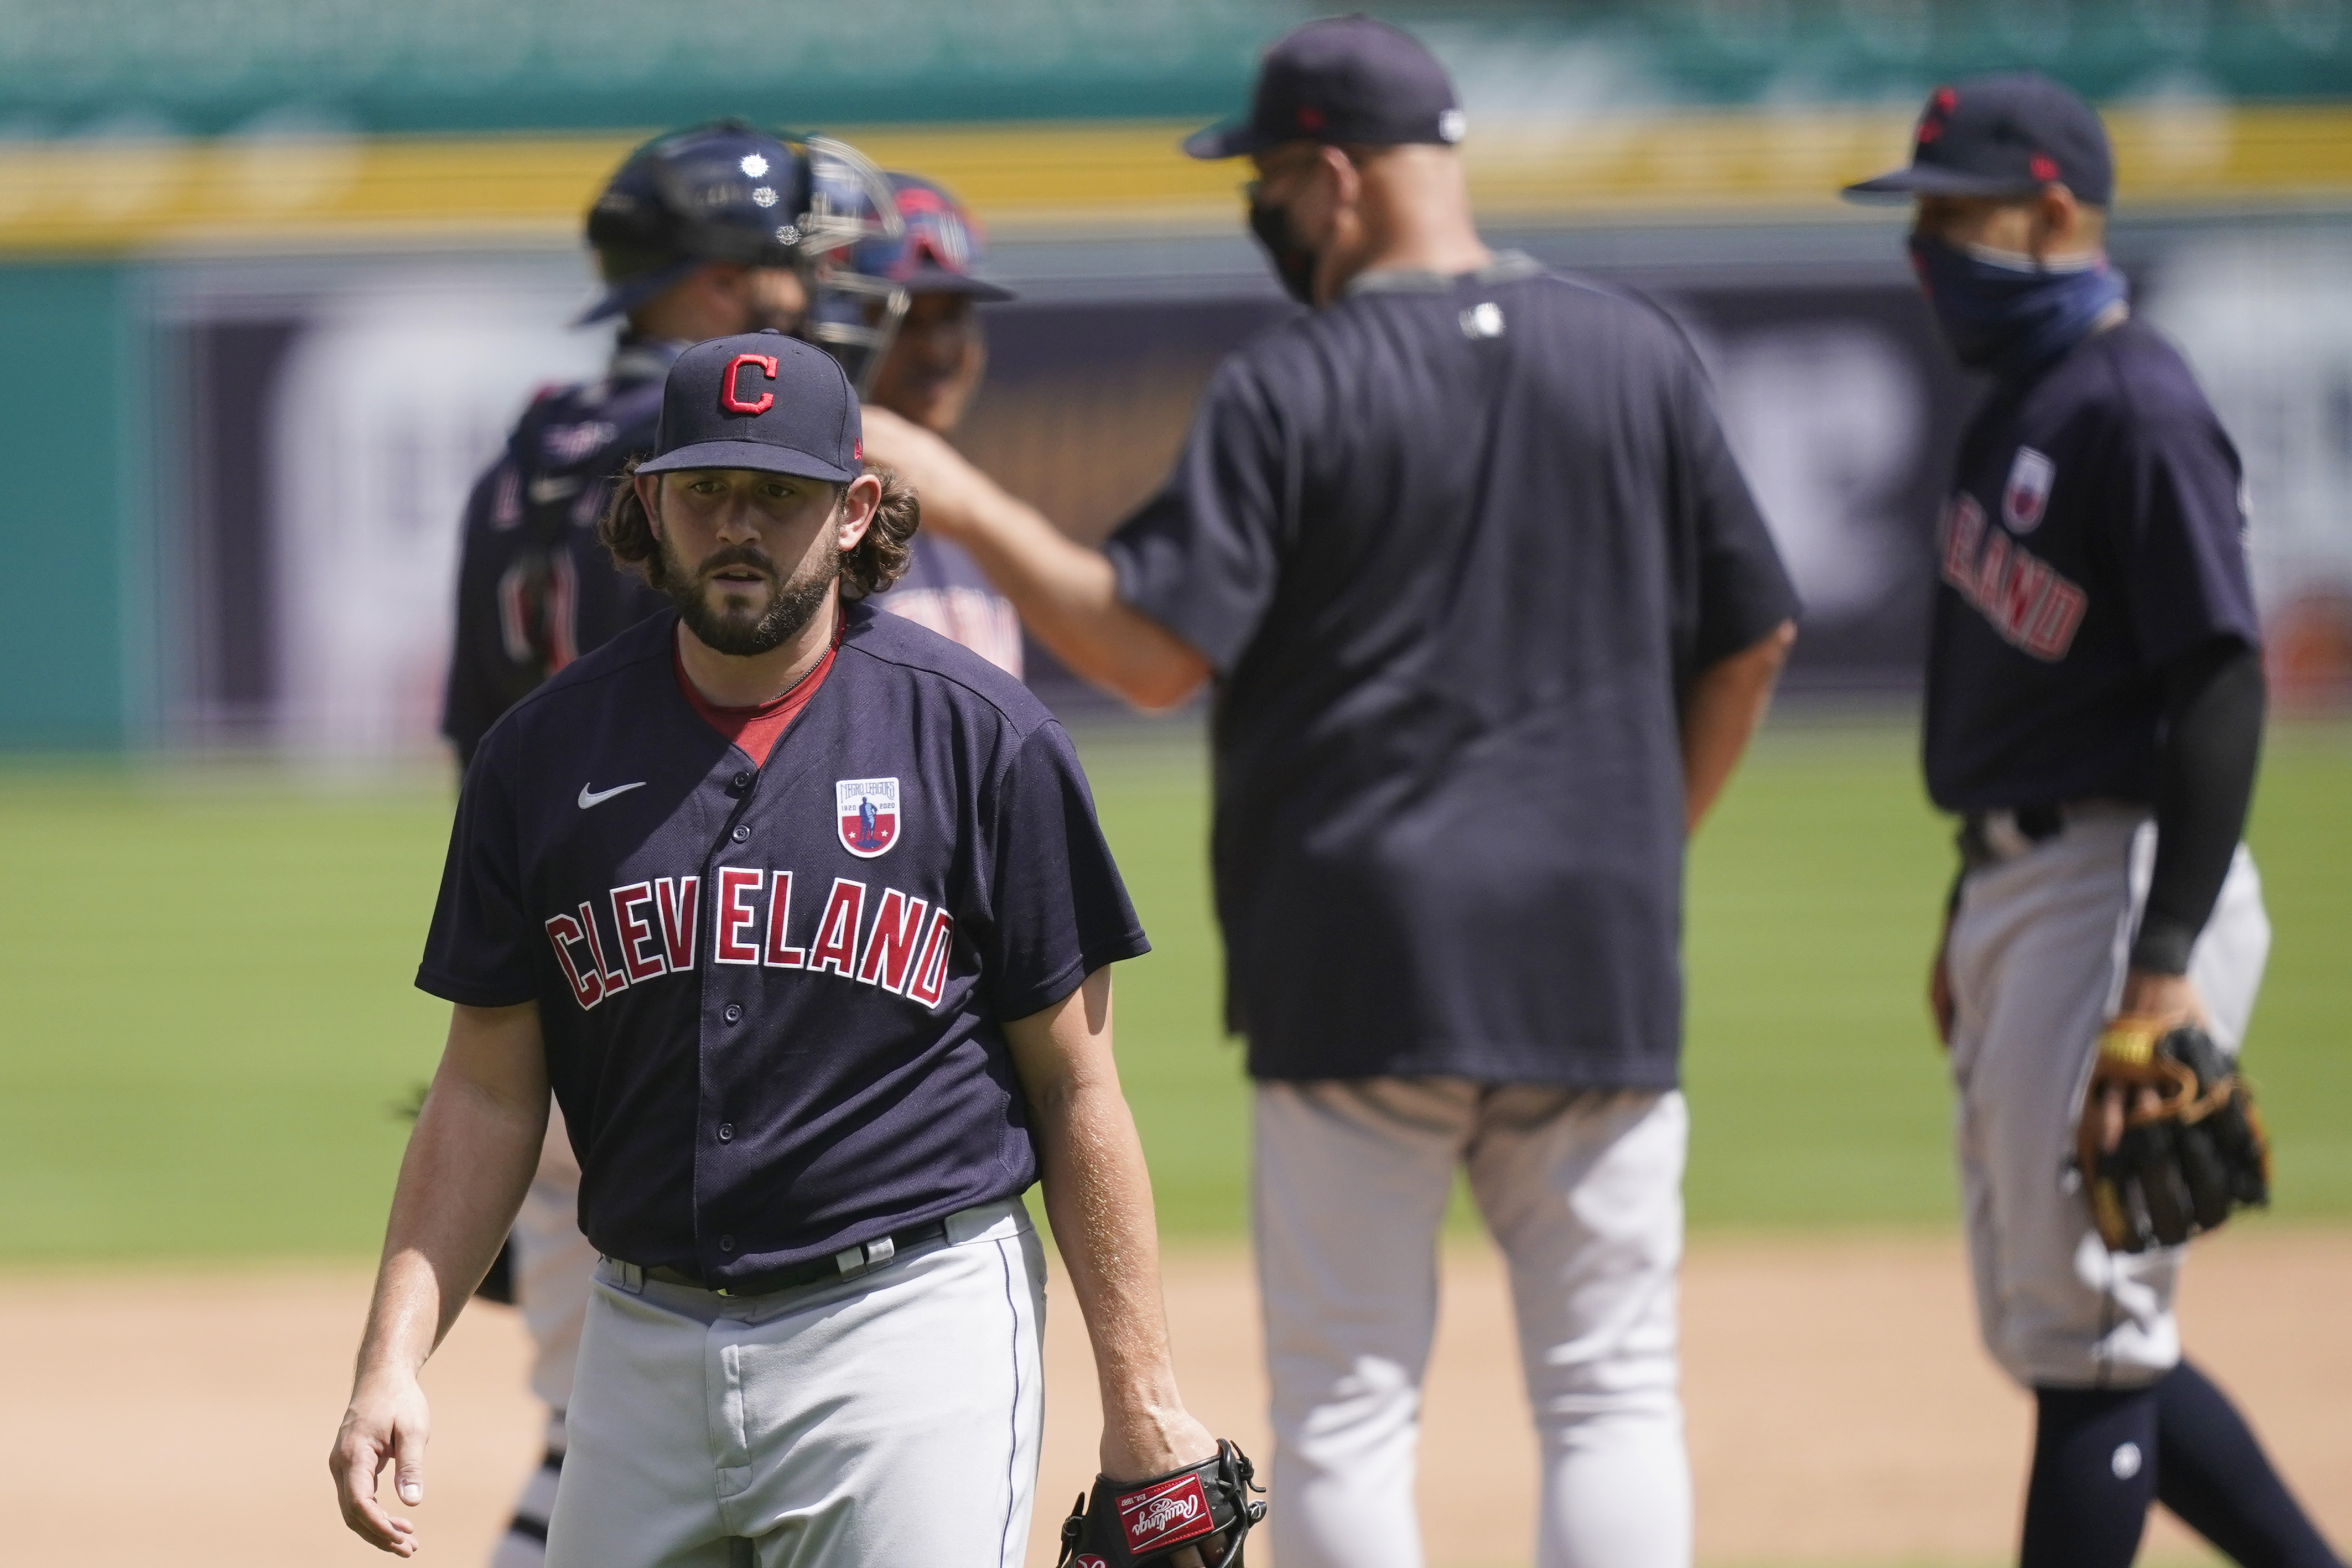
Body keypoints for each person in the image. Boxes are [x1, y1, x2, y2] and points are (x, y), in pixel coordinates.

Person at [863, 17, 1798, 1568]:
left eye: (1274, 181)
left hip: (1364, 946)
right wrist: (1646, 842)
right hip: (1596, 940)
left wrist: (957, 492)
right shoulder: (1635, 353)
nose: (1265, 210)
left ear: (1341, 177)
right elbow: (1753, 639)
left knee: (1348, 1402)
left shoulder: (1295, 381)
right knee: (1611, 1391)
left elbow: (1148, 651)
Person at [330, 332, 1226, 1565]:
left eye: (779, 492)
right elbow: (484, 1090)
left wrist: (1144, 1402)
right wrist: (390, 1360)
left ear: (855, 511)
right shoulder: (539, 755)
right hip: (636, 1336)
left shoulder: (982, 737)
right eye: (704, 488)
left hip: (910, 1326)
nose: (737, 524)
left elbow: (1077, 1086)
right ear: (647, 502)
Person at [1845, 73, 2343, 1568]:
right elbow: (2023, 696)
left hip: (2119, 885)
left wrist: (2160, 968)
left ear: (2053, 212)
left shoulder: (2136, 404)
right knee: (2062, 1327)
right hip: (2029, 879)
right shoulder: (2024, 401)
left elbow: (2220, 679)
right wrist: (1968, 900)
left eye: (1955, 212)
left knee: (2090, 1339)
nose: (1927, 246)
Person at [433, 119, 904, 1567]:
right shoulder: (719, 472)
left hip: (560, 977)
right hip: (684, 993)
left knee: (597, 1442)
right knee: (667, 1459)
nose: (818, 291)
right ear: (709, 281)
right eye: (789, 263)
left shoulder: (527, 455)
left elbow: (478, 754)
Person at [852, 173, 1025, 678]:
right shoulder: (815, 517)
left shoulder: (973, 509)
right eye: (903, 319)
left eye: (951, 316)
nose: (935, 349)